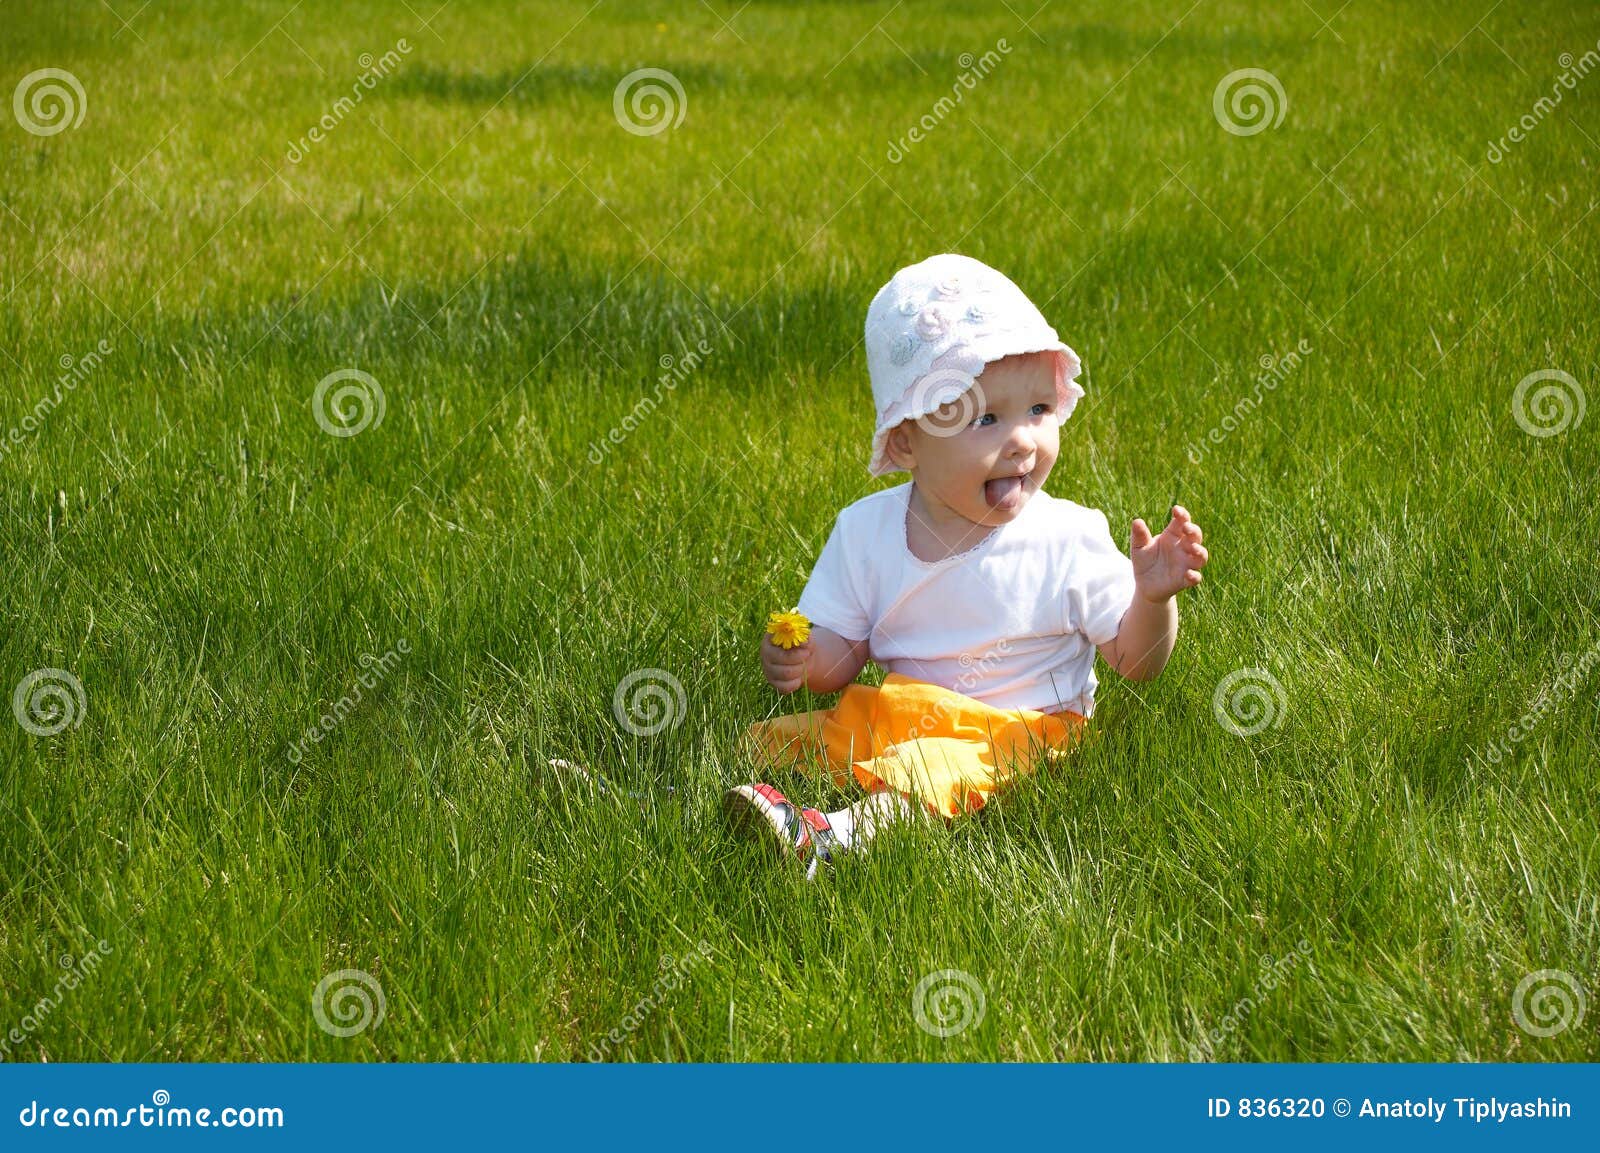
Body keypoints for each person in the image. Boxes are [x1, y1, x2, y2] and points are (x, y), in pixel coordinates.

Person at [723, 253, 1209, 878]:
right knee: (788, 738)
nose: (1023, 441)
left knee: (929, 769)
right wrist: (801, 659)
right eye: (986, 419)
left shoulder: (1067, 537)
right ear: (906, 443)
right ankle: (677, 803)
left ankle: (827, 836)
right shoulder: (866, 532)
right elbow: (841, 655)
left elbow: (1136, 663)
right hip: (902, 711)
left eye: (1038, 411)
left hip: (1024, 731)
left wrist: (1152, 598)